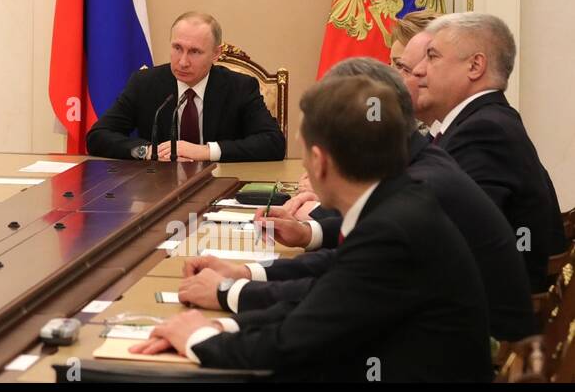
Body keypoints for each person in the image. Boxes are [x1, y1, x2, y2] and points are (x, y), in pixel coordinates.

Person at [131, 76, 493, 382]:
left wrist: (199, 339)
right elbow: (323, 299)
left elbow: (292, 345)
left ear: (319, 163)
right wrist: (227, 326)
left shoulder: (391, 230)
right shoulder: (396, 203)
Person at [180, 58, 536, 342]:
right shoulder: (409, 180)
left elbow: (311, 325)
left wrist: (218, 311)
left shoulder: (416, 194)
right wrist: (245, 277)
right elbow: (338, 279)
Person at [413, 12, 565, 291]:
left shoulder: (484, 131)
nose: (419, 70)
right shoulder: (482, 121)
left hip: (483, 320)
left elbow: (443, 237)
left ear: (475, 66)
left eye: (432, 56)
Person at [85, 11, 285, 162]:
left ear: (216, 54)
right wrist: (147, 151)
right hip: (158, 189)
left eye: (195, 52)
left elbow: (273, 143)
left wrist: (205, 151)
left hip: (219, 185)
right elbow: (98, 136)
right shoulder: (144, 83)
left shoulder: (239, 87)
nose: (182, 62)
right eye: (177, 48)